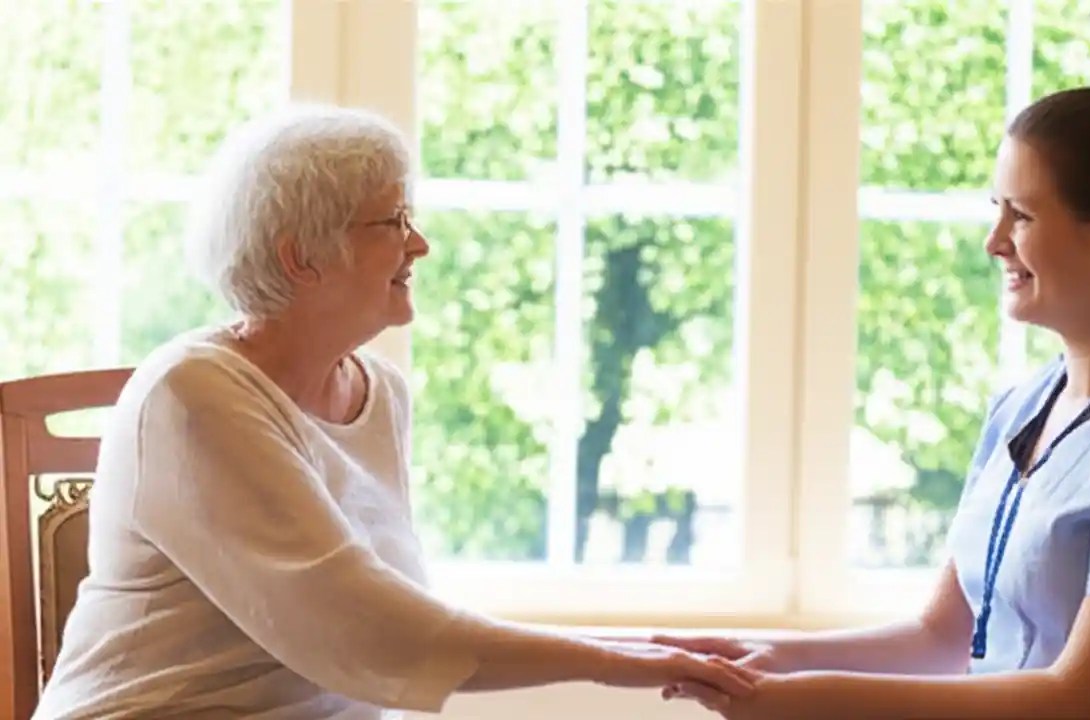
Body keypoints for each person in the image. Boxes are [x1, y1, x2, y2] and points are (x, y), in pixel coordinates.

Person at [33, 105, 758, 719]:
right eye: (393, 219)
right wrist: (614, 662)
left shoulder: (378, 391)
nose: (419, 243)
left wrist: (630, 656)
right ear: (301, 258)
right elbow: (370, 631)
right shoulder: (191, 396)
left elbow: (390, 624)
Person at [655, 86, 1090, 719]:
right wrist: (761, 656)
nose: (994, 241)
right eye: (995, 211)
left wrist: (805, 700)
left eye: (1022, 216)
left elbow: (1075, 698)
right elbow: (942, 637)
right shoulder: (1023, 404)